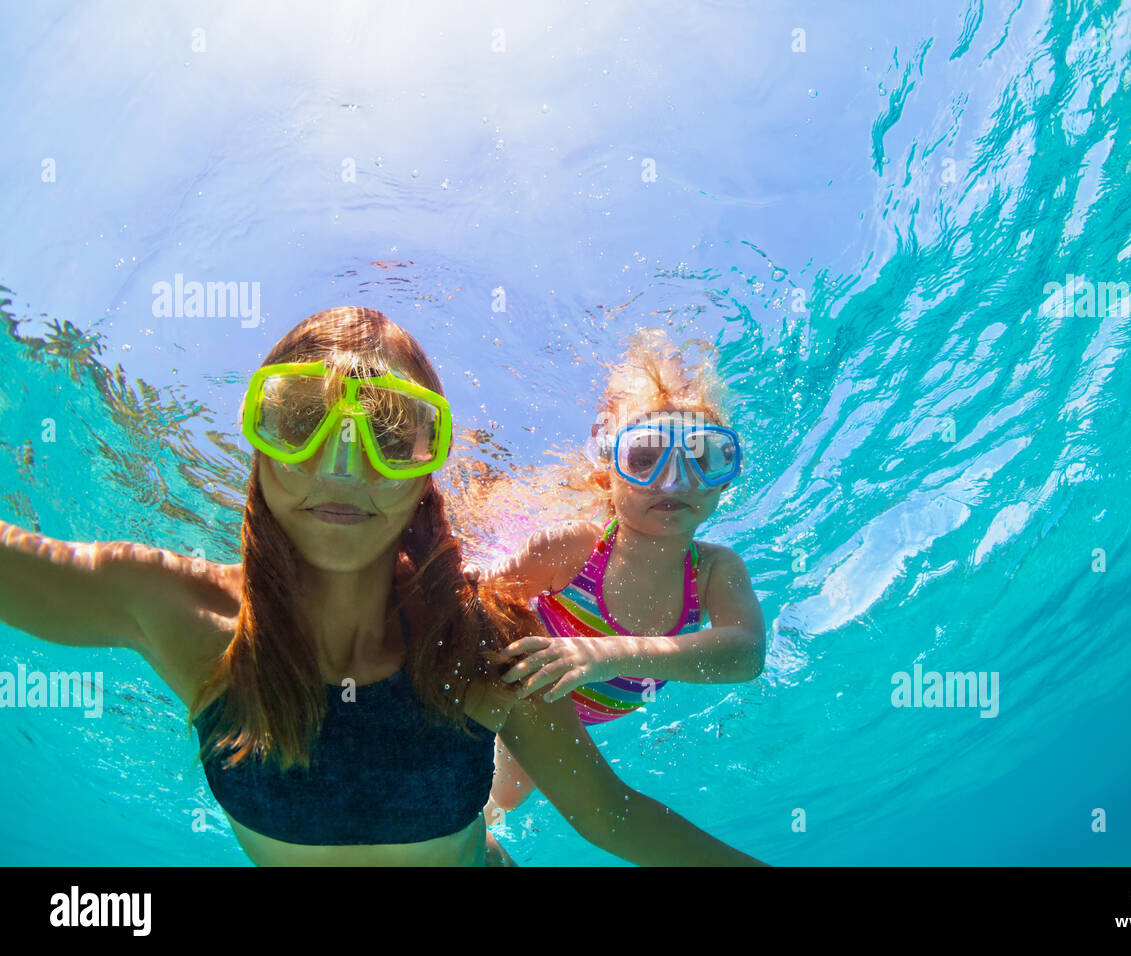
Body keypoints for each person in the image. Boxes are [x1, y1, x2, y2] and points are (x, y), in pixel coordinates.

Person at [0, 307, 764, 866]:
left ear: (427, 470)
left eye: (392, 436)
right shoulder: (179, 611)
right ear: (257, 448)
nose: (342, 466)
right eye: (299, 422)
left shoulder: (483, 644)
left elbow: (611, 816)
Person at [479, 328, 766, 824]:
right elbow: (469, 603)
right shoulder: (572, 548)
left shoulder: (716, 571)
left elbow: (745, 655)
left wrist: (608, 654)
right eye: (644, 457)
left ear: (725, 481)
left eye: (702, 458)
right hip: (515, 694)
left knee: (500, 802)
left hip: (561, 719)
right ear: (607, 470)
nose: (673, 480)